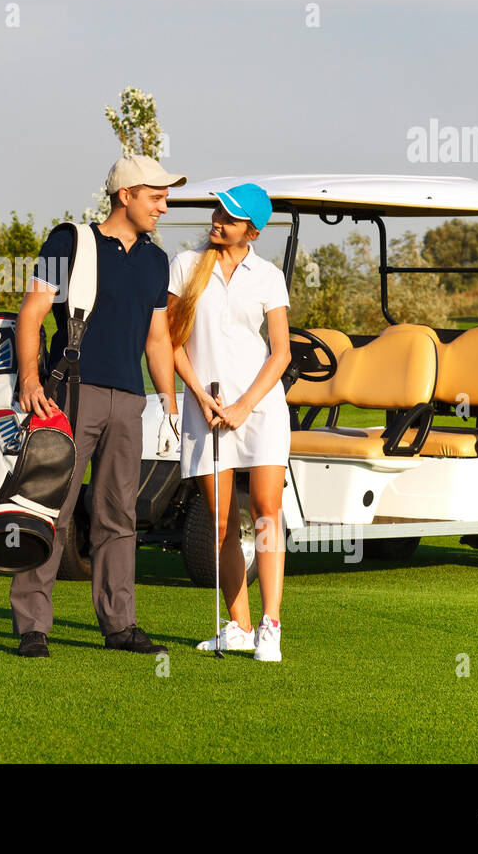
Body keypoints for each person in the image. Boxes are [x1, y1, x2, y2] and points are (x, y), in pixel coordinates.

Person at [11, 154, 185, 658]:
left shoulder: (156, 261)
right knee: (51, 510)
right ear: (125, 195)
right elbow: (33, 310)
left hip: (129, 400)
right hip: (72, 394)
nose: (165, 207)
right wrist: (28, 378)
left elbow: (157, 339)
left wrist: (168, 406)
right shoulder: (69, 240)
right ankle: (32, 627)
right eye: (157, 197)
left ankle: (119, 624)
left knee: (118, 514)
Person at [160, 183, 293, 662]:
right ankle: (237, 625)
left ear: (251, 231)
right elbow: (170, 342)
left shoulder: (268, 277)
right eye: (218, 211)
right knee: (220, 522)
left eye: (230, 217)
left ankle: (270, 625)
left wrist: (242, 407)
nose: (218, 219)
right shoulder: (185, 266)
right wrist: (198, 395)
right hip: (205, 408)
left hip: (261, 409)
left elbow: (281, 354)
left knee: (265, 512)